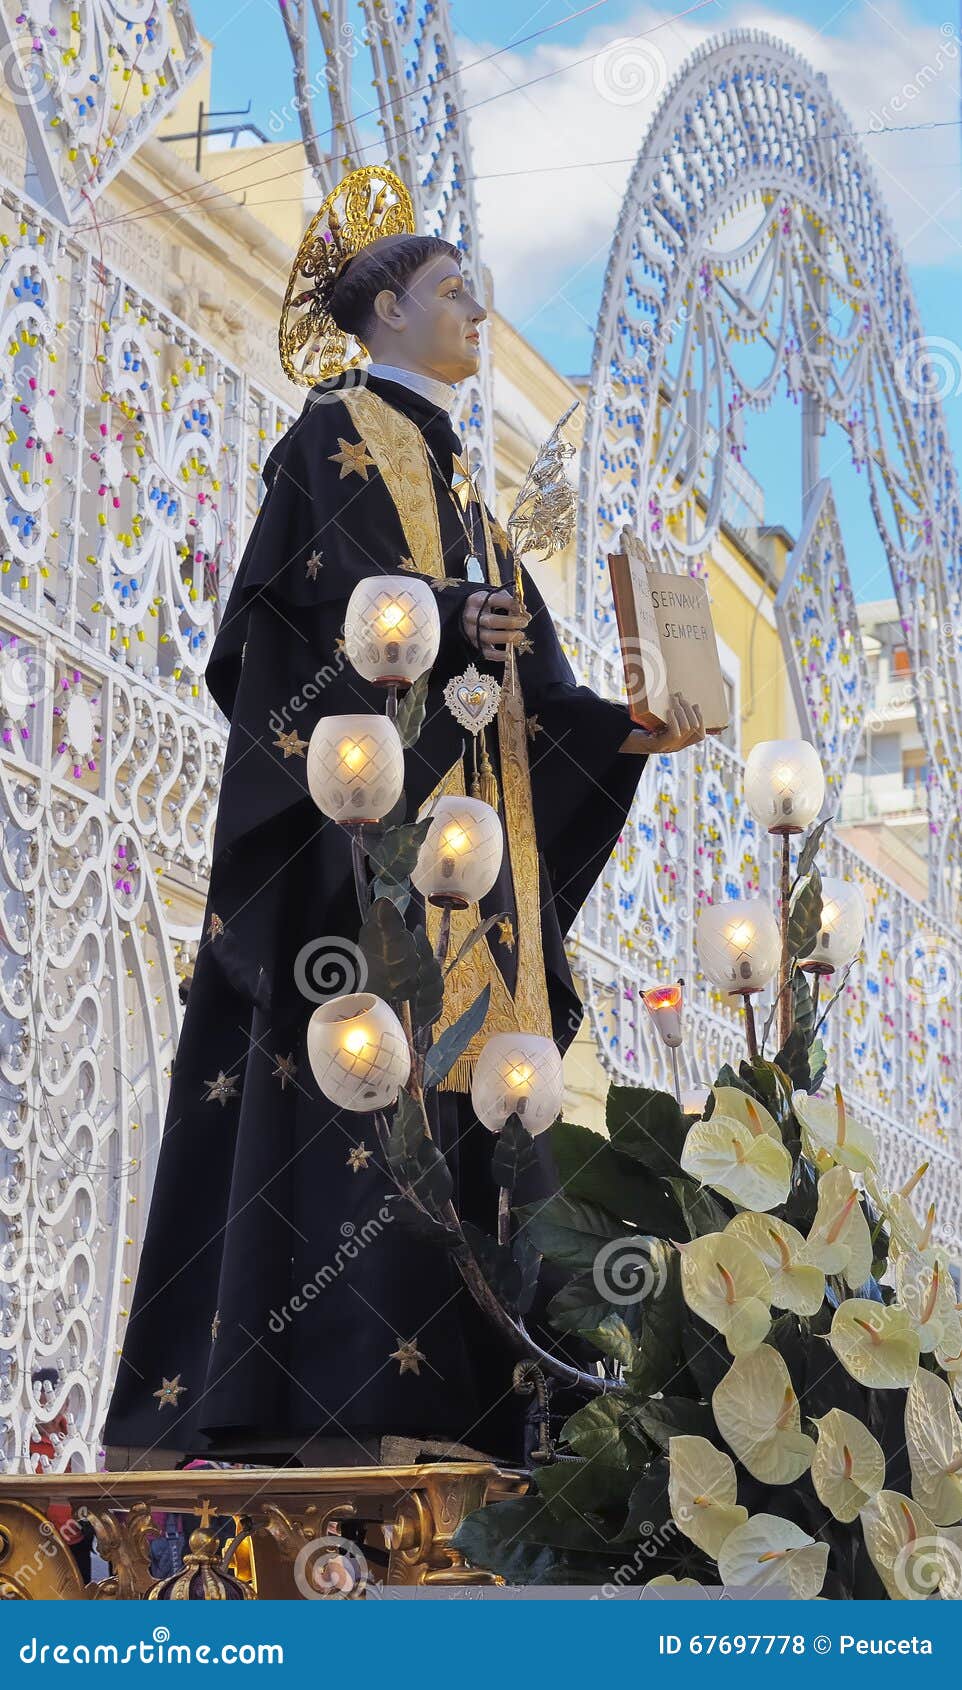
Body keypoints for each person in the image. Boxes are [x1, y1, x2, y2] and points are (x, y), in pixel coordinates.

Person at [104, 169, 705, 1471]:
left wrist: (625, 727)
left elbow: (527, 704)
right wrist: (427, 624)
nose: (478, 313)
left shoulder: (479, 512)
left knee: (480, 1128)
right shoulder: (326, 443)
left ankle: (501, 1422)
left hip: (468, 891)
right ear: (381, 308)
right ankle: (325, 1417)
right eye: (450, 293)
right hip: (355, 864)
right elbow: (285, 629)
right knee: (344, 1130)